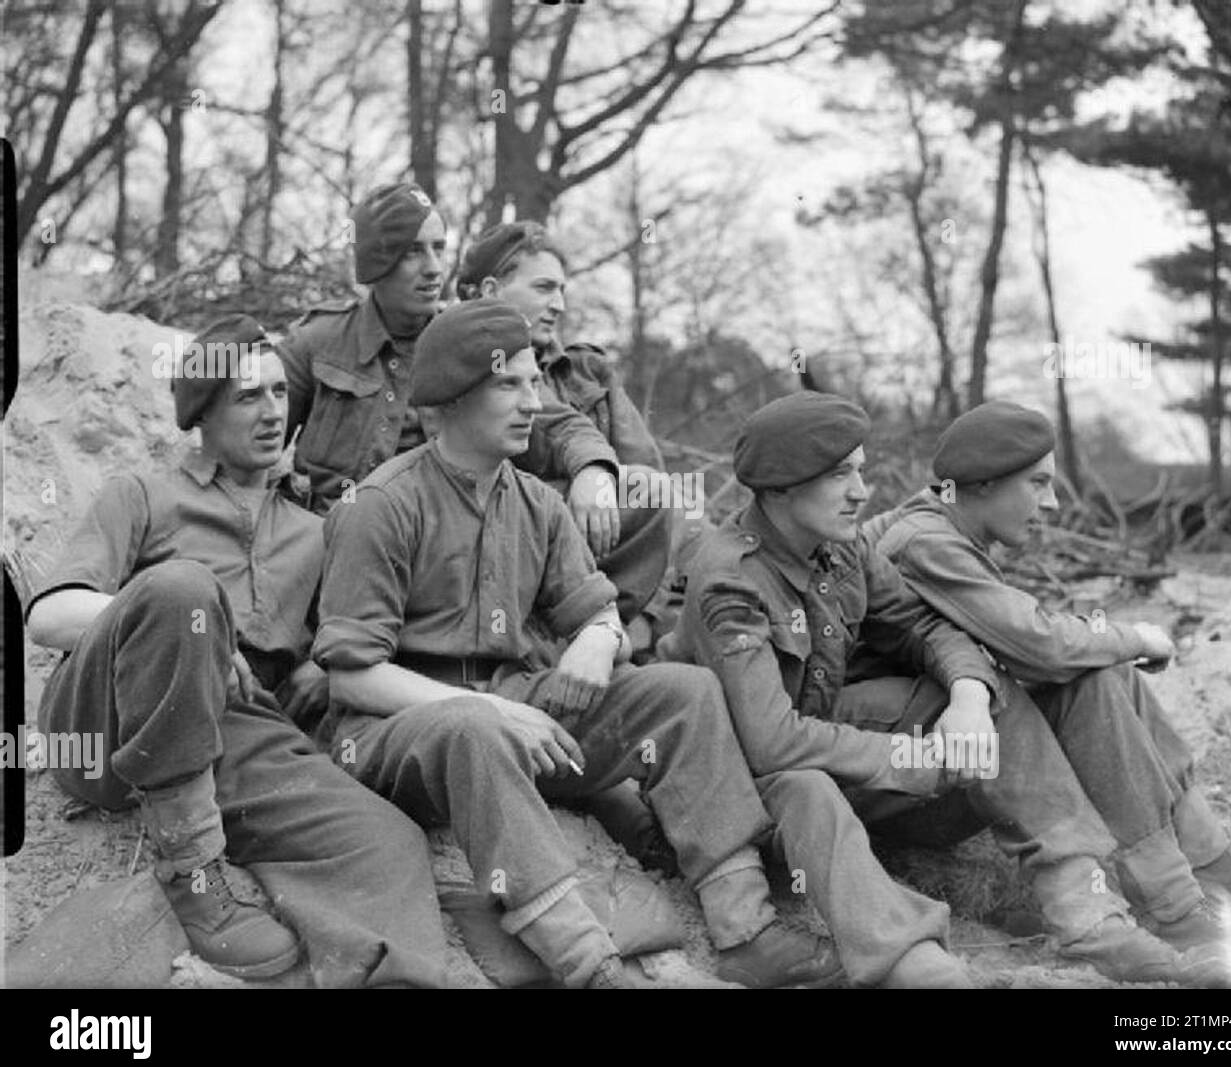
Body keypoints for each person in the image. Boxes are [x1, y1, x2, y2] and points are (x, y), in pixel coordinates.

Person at [311, 300, 841, 989]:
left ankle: (743, 925)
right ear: (450, 398)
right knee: (474, 725)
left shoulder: (534, 500)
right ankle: (588, 963)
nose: (534, 401)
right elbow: (352, 677)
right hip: (394, 731)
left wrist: (599, 634)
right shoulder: (382, 503)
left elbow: (593, 607)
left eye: (535, 382)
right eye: (512, 385)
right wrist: (495, 712)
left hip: (513, 709)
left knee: (682, 691)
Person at [665, 391, 1207, 986]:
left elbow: (924, 629)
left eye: (861, 471)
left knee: (992, 693)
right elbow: (770, 741)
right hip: (758, 785)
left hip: (827, 746)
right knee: (940, 715)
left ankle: (1090, 911)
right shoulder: (730, 582)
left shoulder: (839, 547)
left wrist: (970, 697)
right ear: (780, 488)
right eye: (839, 474)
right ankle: (1084, 917)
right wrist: (910, 757)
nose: (862, 492)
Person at [23, 315, 452, 988]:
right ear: (202, 411)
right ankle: (191, 869)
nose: (273, 412)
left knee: (386, 840)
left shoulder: (317, 530)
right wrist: (198, 630)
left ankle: (376, 973)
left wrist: (318, 660)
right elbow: (50, 616)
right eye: (248, 396)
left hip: (236, 733)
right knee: (184, 589)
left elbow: (349, 646)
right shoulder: (143, 493)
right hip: (107, 718)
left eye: (281, 393)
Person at [862, 400, 1231, 961]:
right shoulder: (924, 541)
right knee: (1086, 673)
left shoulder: (944, 530)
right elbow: (1037, 642)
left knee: (1102, 670)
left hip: (935, 746)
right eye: (1038, 483)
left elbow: (1029, 641)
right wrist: (1138, 636)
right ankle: (1169, 901)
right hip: (891, 779)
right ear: (981, 483)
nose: (1051, 503)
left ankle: (1204, 858)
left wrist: (1113, 649)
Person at [278, 183, 620, 522]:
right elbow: (251, 436)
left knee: (640, 491)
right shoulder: (317, 342)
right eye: (413, 251)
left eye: (438, 249)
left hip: (444, 538)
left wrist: (594, 470)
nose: (434, 269)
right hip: (334, 536)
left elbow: (556, 423)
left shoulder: (471, 338)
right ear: (375, 261)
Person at [455, 220, 675, 643]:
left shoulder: (586, 372)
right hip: (491, 559)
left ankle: (615, 629)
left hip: (598, 568)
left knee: (657, 492)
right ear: (489, 291)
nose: (558, 304)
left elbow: (654, 486)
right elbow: (553, 425)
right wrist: (590, 469)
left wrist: (648, 615)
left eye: (562, 290)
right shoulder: (459, 360)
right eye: (543, 288)